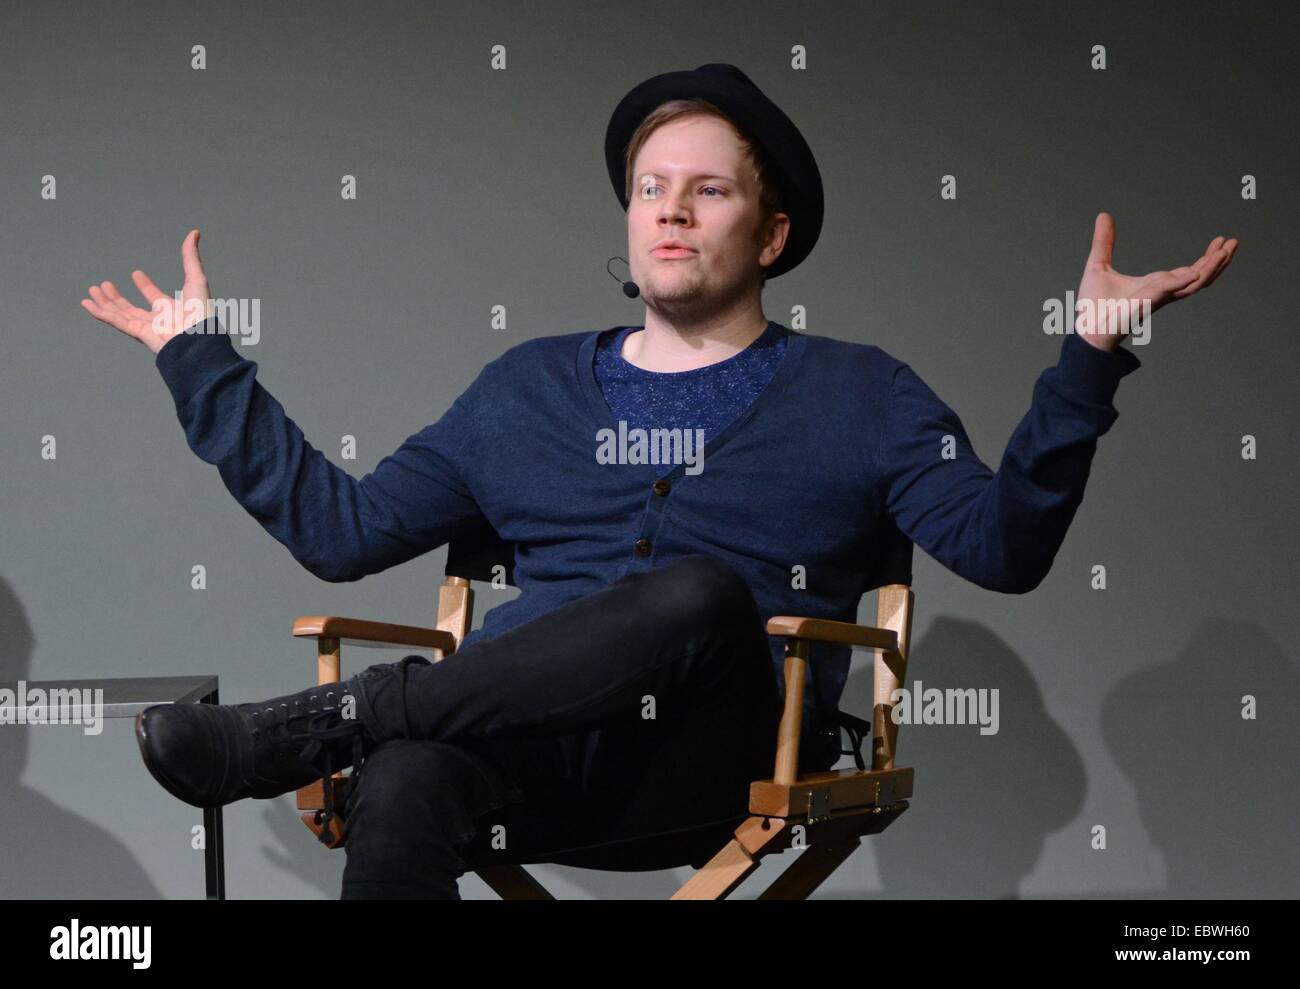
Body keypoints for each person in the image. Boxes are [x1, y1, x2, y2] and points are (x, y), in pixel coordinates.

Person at [79, 64, 1238, 898]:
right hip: (523, 759)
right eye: (649, 186)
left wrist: (1089, 356)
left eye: (709, 189)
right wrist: (199, 356)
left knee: (693, 594)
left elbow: (1004, 548)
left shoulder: (865, 394)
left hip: (711, 767)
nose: (671, 208)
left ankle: (321, 724)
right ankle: (362, 733)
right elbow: (342, 531)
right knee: (411, 780)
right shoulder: (523, 389)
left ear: (772, 233)